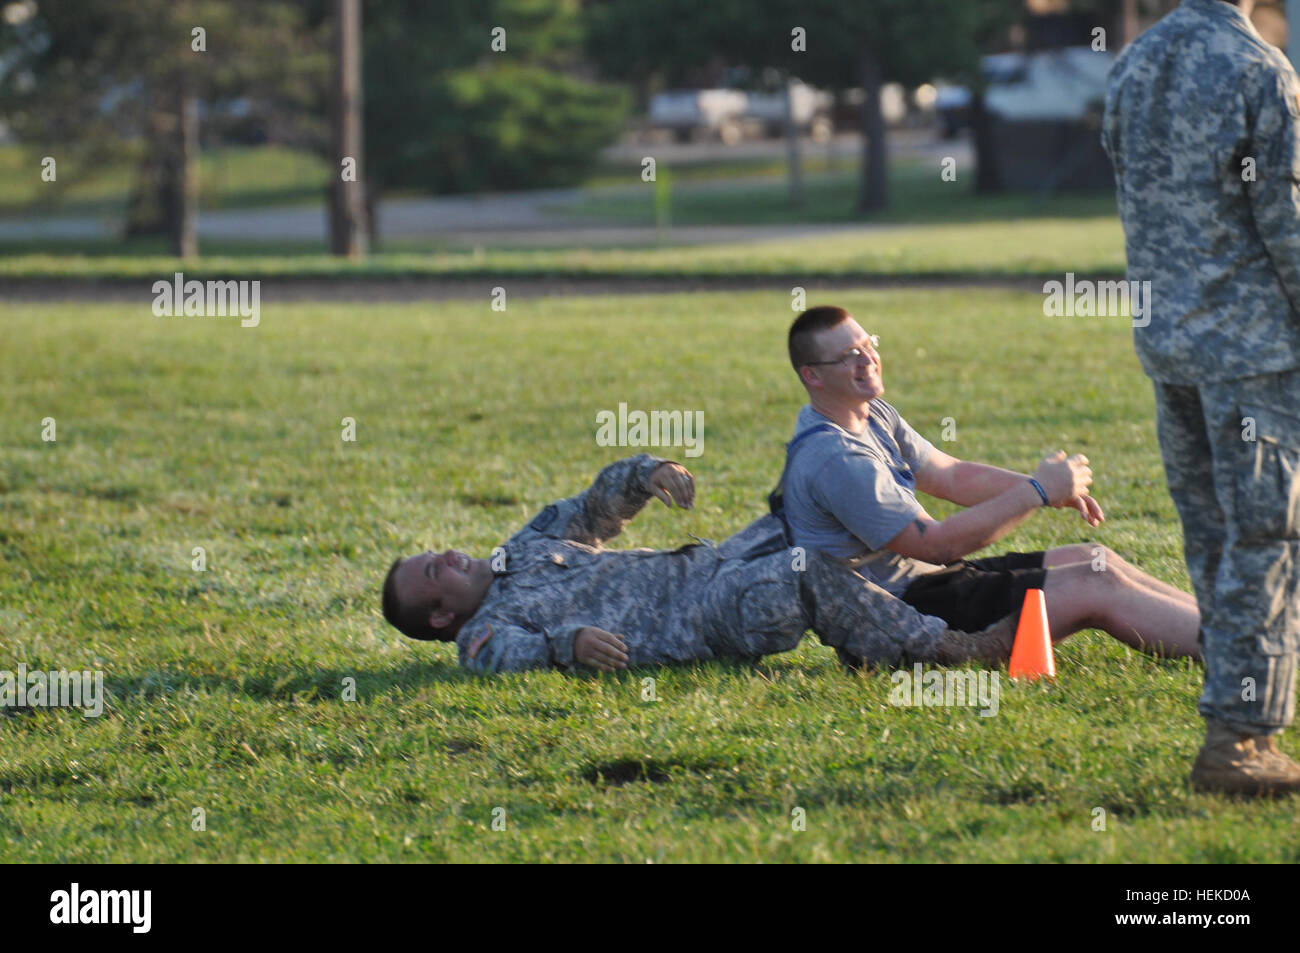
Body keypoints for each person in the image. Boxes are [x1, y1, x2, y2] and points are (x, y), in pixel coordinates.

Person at [1102, 0, 1300, 795]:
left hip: (1169, 346)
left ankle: (1229, 712)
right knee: (1265, 538)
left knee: (1213, 538)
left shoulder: (1133, 65)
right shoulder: (1261, 72)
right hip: (1252, 349)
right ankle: (1240, 740)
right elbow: (1287, 222)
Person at [776, 306, 1203, 672]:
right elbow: (937, 545)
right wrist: (1035, 491)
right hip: (906, 620)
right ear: (812, 375)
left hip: (934, 586)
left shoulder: (871, 416)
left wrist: (1048, 490)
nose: (868, 359)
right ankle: (1241, 653)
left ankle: (1236, 630)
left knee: (1094, 559)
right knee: (1099, 583)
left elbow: (951, 474)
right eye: (850, 356)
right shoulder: (836, 458)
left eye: (869, 345)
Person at [381, 454, 1025, 674]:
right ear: (440, 615)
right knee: (802, 568)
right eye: (432, 572)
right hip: (709, 618)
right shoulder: (480, 635)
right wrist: (566, 644)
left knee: (807, 509)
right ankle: (944, 652)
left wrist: (646, 473)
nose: (443, 556)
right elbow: (503, 661)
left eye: (432, 555)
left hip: (718, 564)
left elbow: (591, 508)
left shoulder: (516, 553)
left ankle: (953, 576)